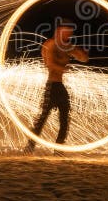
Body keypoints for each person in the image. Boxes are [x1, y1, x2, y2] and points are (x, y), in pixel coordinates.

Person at [26, 18, 89, 151]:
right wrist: (65, 69)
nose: (68, 36)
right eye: (66, 33)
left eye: (70, 33)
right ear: (59, 31)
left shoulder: (66, 46)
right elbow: (50, 64)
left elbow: (83, 58)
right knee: (42, 119)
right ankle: (30, 147)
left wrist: (82, 53)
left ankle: (59, 149)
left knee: (65, 118)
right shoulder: (50, 45)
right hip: (52, 86)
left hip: (60, 87)